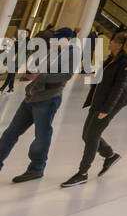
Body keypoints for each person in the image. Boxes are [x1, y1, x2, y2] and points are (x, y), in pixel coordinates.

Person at [61, 31, 127, 187]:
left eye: (112, 41)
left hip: (111, 102)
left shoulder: (126, 62)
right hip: (100, 99)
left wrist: (107, 109)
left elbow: (119, 87)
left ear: (120, 44)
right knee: (86, 135)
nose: (110, 43)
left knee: (92, 135)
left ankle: (82, 173)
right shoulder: (112, 59)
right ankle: (110, 155)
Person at [0, 29, 73, 183]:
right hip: (31, 97)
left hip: (47, 99)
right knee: (11, 132)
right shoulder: (49, 52)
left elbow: (65, 75)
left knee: (41, 135)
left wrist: (39, 76)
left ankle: (36, 168)